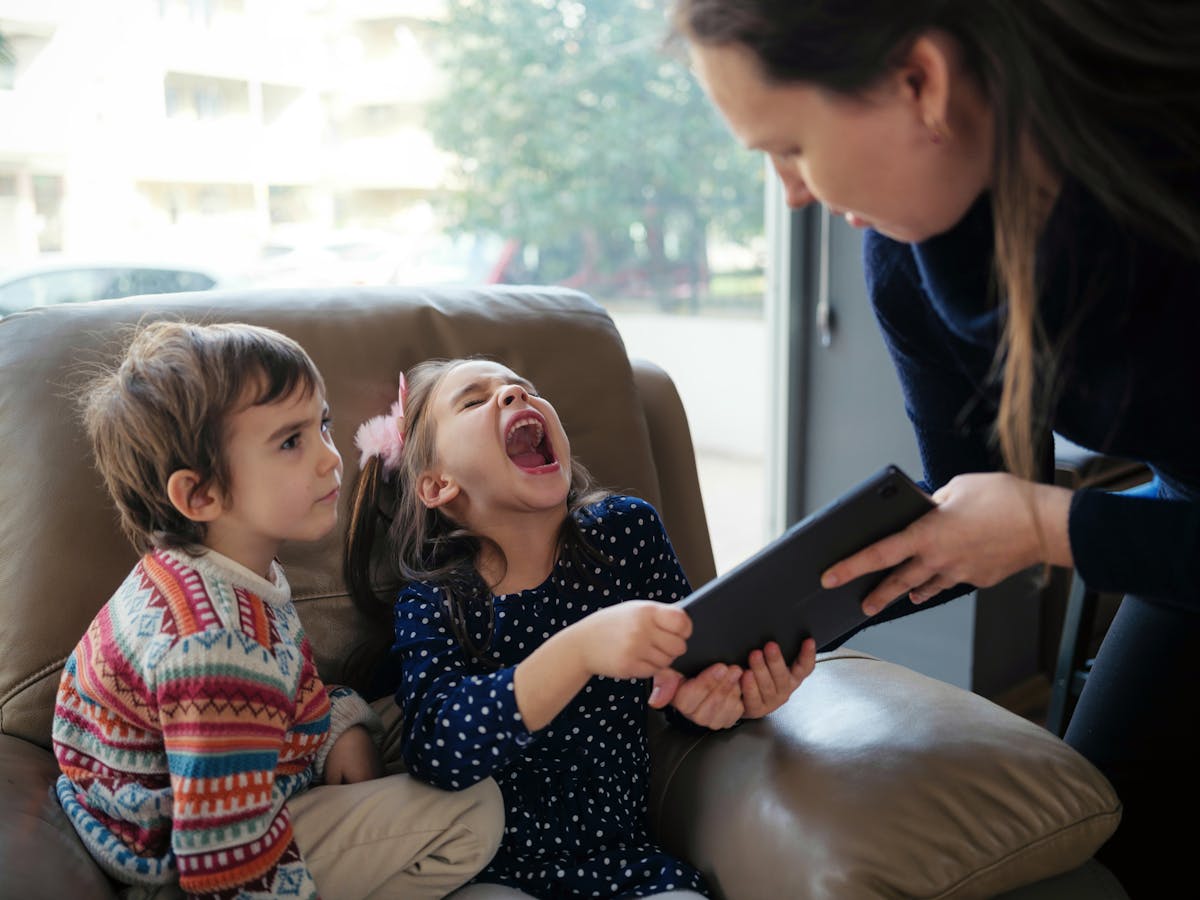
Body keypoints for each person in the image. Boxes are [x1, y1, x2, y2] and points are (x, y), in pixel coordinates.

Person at [670, 1, 1200, 895]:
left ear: (922, 83)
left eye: (790, 147)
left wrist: (1051, 527)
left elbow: (1023, 519)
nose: (790, 192)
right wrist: (770, 627)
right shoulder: (908, 257)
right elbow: (962, 514)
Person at [52, 321, 502, 900]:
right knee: (477, 808)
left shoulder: (229, 564)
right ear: (200, 496)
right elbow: (225, 864)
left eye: (323, 425)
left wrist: (339, 730)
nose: (330, 458)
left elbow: (288, 689)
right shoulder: (213, 647)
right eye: (291, 442)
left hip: (245, 769)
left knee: (421, 715)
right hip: (194, 854)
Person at [343, 357, 815, 898]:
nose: (513, 396)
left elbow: (685, 676)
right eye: (474, 400)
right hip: (488, 874)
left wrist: (722, 701)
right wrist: (580, 651)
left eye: (524, 388)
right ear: (436, 485)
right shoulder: (434, 601)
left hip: (624, 864)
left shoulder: (626, 535)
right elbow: (438, 751)